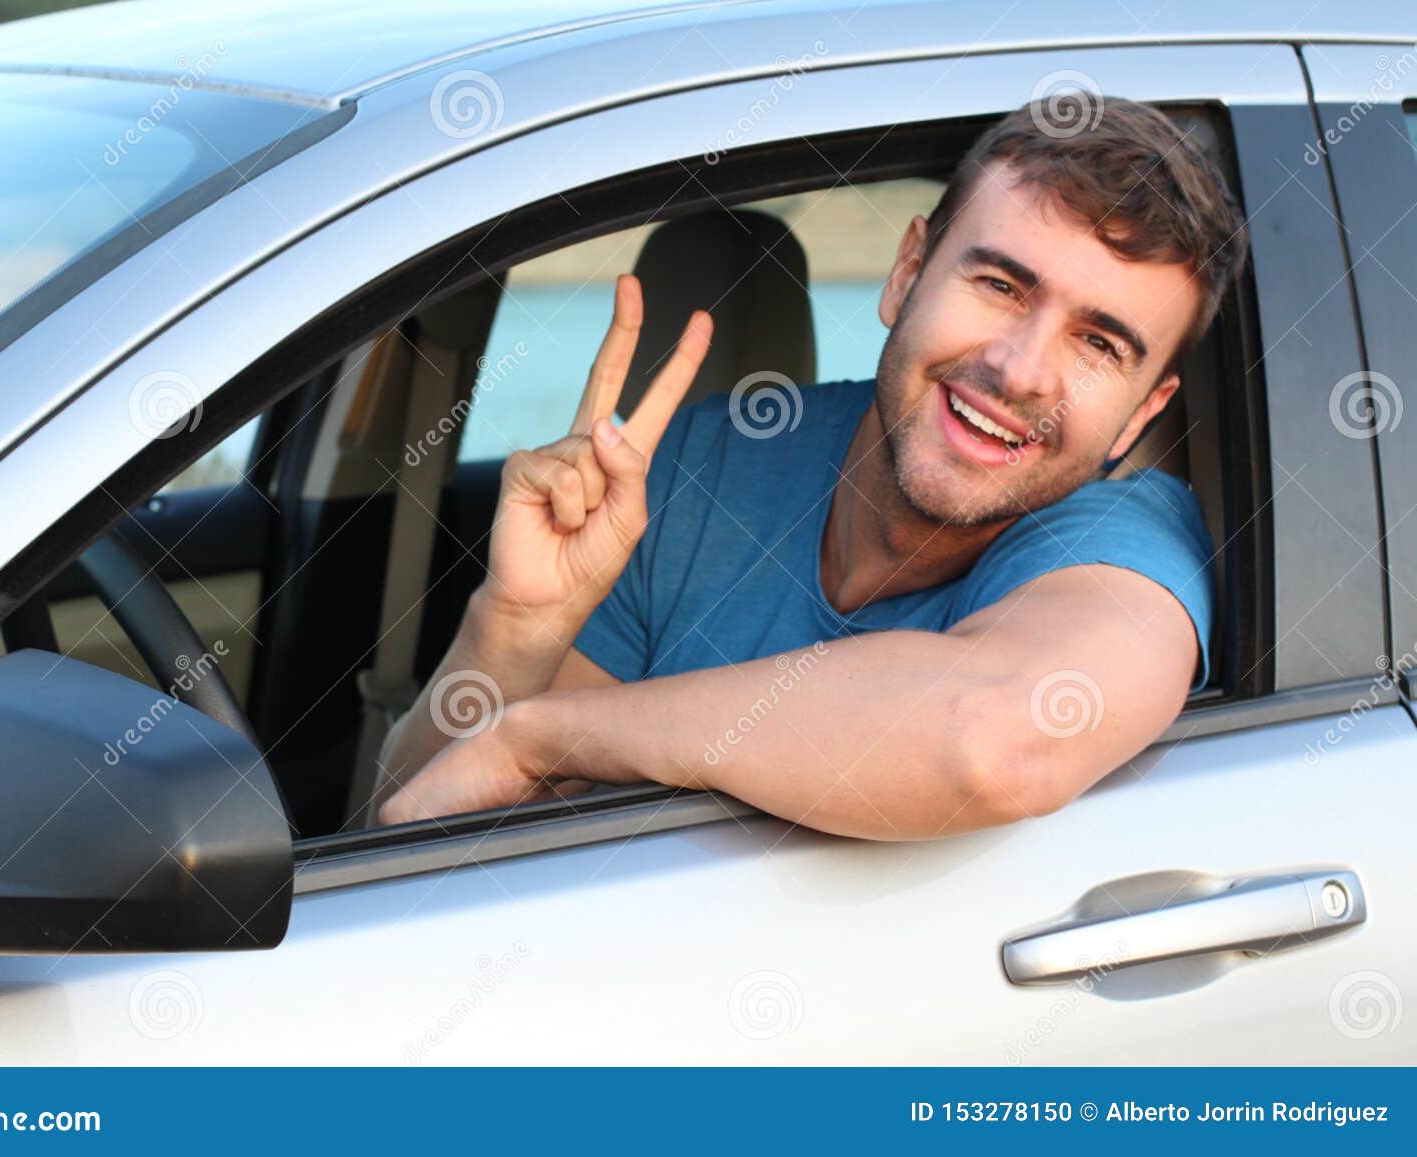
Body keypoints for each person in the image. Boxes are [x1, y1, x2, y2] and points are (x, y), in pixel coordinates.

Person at [372, 95, 1247, 839]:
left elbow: (989, 738)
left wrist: (545, 738)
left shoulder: (1126, 548)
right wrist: (518, 626)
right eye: (1000, 286)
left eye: (1097, 343)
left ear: (1142, 409)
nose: (1020, 370)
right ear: (908, 273)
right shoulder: (693, 466)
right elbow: (413, 832)